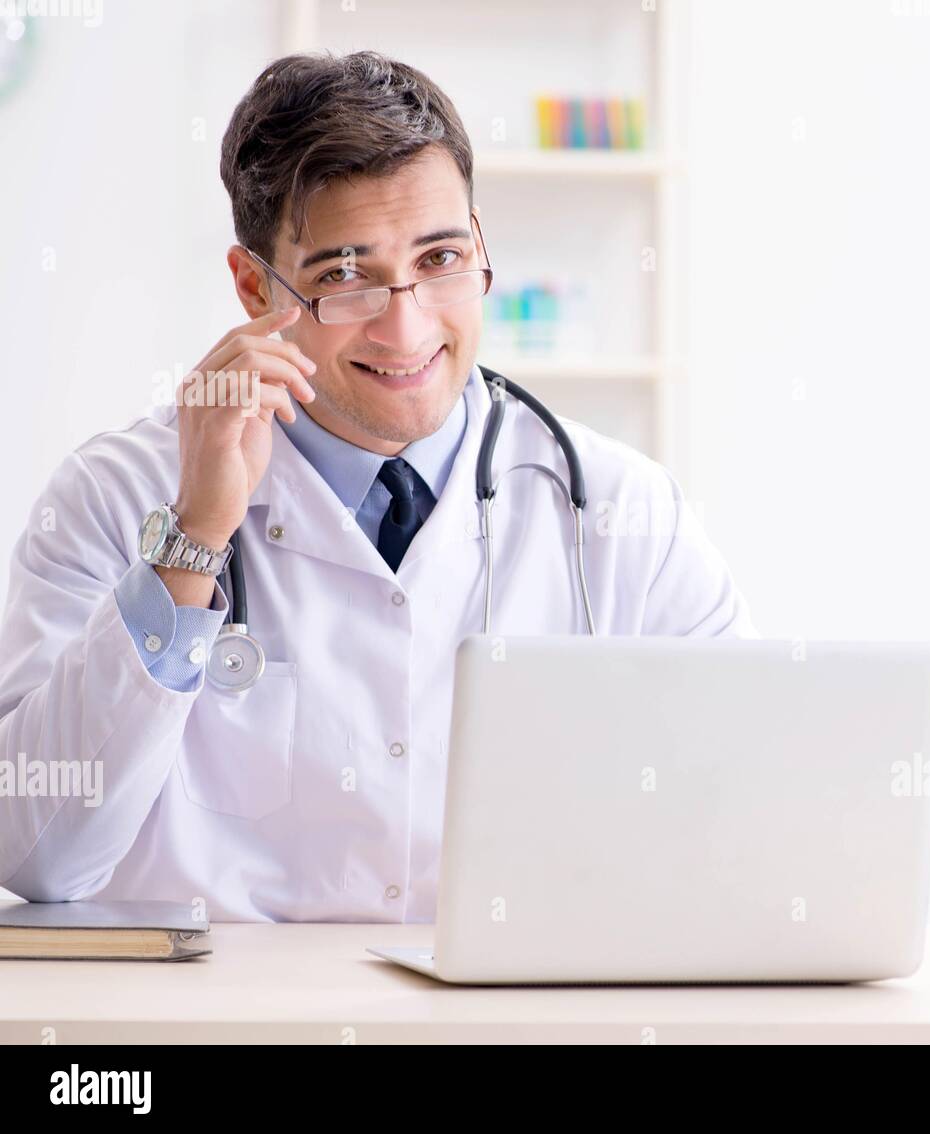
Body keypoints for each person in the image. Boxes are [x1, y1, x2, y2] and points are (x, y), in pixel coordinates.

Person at [0, 51, 754, 921]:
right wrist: (193, 541)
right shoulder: (113, 496)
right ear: (255, 287)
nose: (408, 326)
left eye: (440, 259)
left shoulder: (621, 514)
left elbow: (744, 812)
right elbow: (37, 855)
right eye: (344, 277)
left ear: (481, 246)